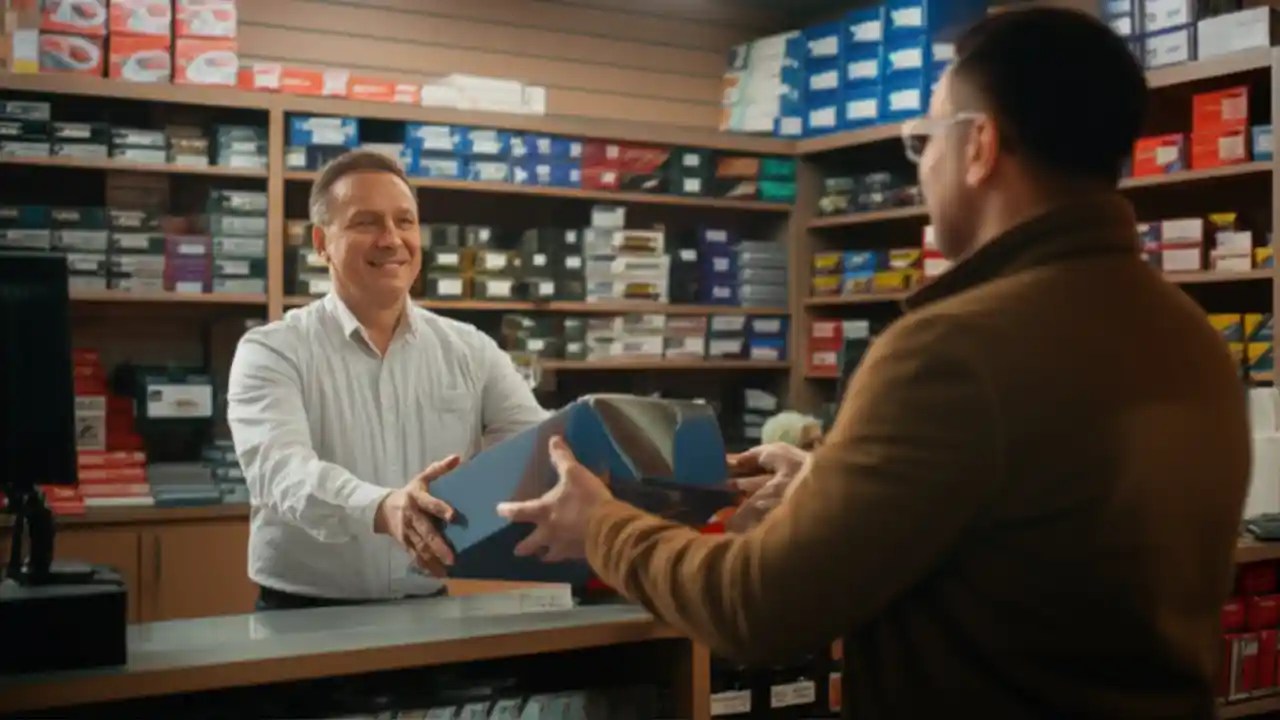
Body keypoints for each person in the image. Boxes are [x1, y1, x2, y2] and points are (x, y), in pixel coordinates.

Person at [497, 8, 1251, 718]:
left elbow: (754, 609)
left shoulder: (953, 350)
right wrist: (835, 487)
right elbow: (1031, 533)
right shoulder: (1190, 339)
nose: (921, 169)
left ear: (981, 145)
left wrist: (602, 524)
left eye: (925, 140)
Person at [227, 150, 547, 610]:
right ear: (321, 242)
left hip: (429, 605)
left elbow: (534, 446)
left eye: (405, 222)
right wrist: (383, 508)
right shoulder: (272, 351)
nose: (391, 239)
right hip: (301, 613)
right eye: (366, 223)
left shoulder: (470, 349)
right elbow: (281, 472)